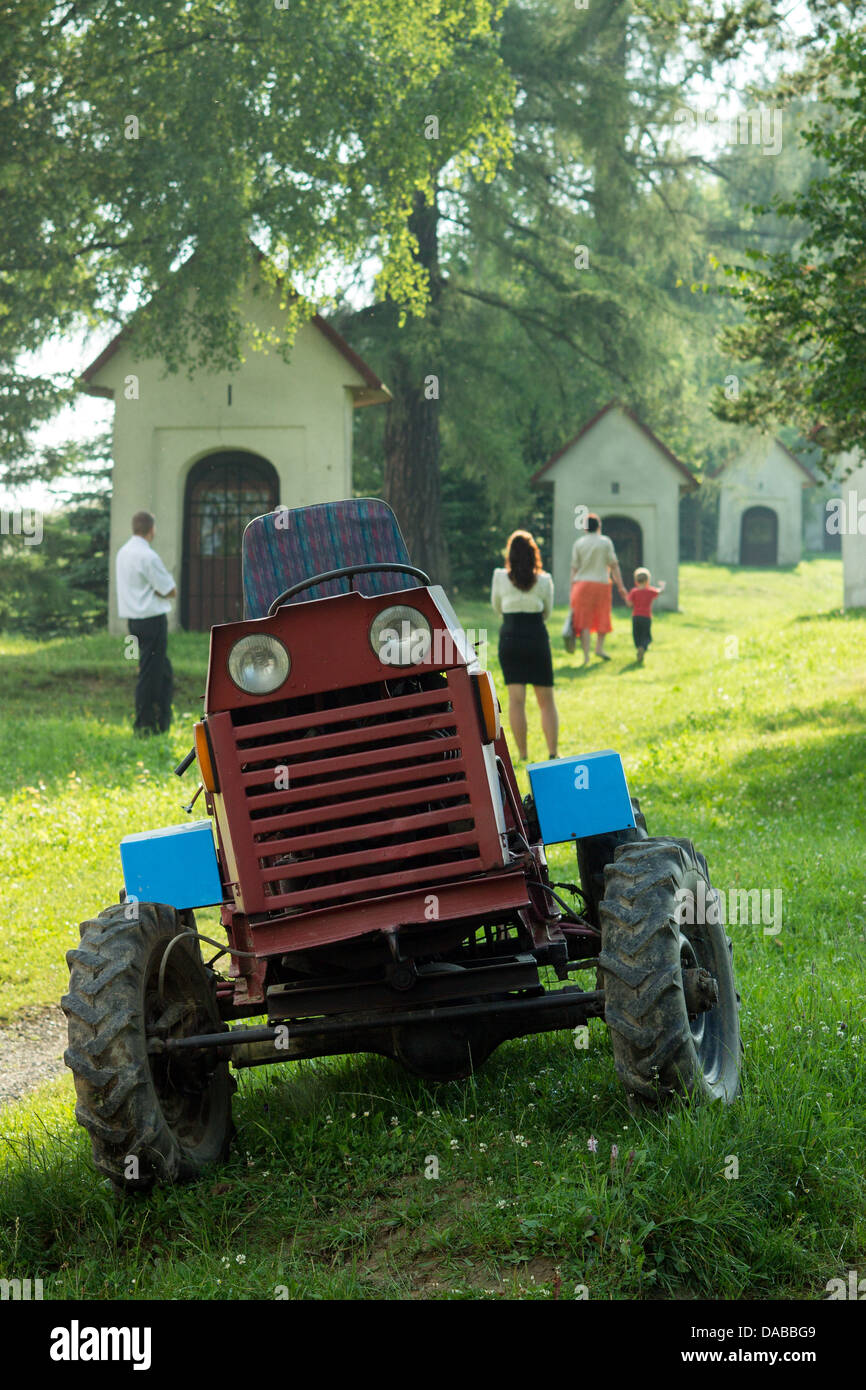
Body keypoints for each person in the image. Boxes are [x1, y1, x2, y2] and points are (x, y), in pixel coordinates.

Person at [491, 530, 558, 761]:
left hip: (510, 636)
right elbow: (547, 612)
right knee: (546, 700)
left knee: (516, 700)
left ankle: (523, 754)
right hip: (536, 636)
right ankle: (552, 752)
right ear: (533, 554)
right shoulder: (545, 579)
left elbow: (496, 607)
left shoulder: (499, 576)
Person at [116, 510, 176, 735]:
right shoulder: (148, 556)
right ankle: (144, 724)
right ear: (152, 529)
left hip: (134, 620)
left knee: (163, 671)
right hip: (152, 619)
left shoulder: (123, 553)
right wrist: (158, 590)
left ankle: (163, 721)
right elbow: (170, 590)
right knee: (150, 673)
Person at [570, 514, 628, 666]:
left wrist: (572, 588)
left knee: (584, 622)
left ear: (585, 528)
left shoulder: (579, 543)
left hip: (581, 585)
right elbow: (614, 565)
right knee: (603, 616)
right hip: (601, 583)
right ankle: (599, 648)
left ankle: (586, 656)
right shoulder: (605, 542)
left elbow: (574, 568)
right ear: (599, 526)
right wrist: (621, 586)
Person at [626, 566, 665, 664]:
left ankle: (639, 647)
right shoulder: (650, 590)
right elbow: (659, 592)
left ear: (636, 580)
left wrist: (627, 598)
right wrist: (662, 586)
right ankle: (643, 647)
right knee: (645, 634)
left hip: (636, 616)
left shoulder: (634, 591)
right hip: (646, 617)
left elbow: (629, 604)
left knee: (637, 634)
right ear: (648, 580)